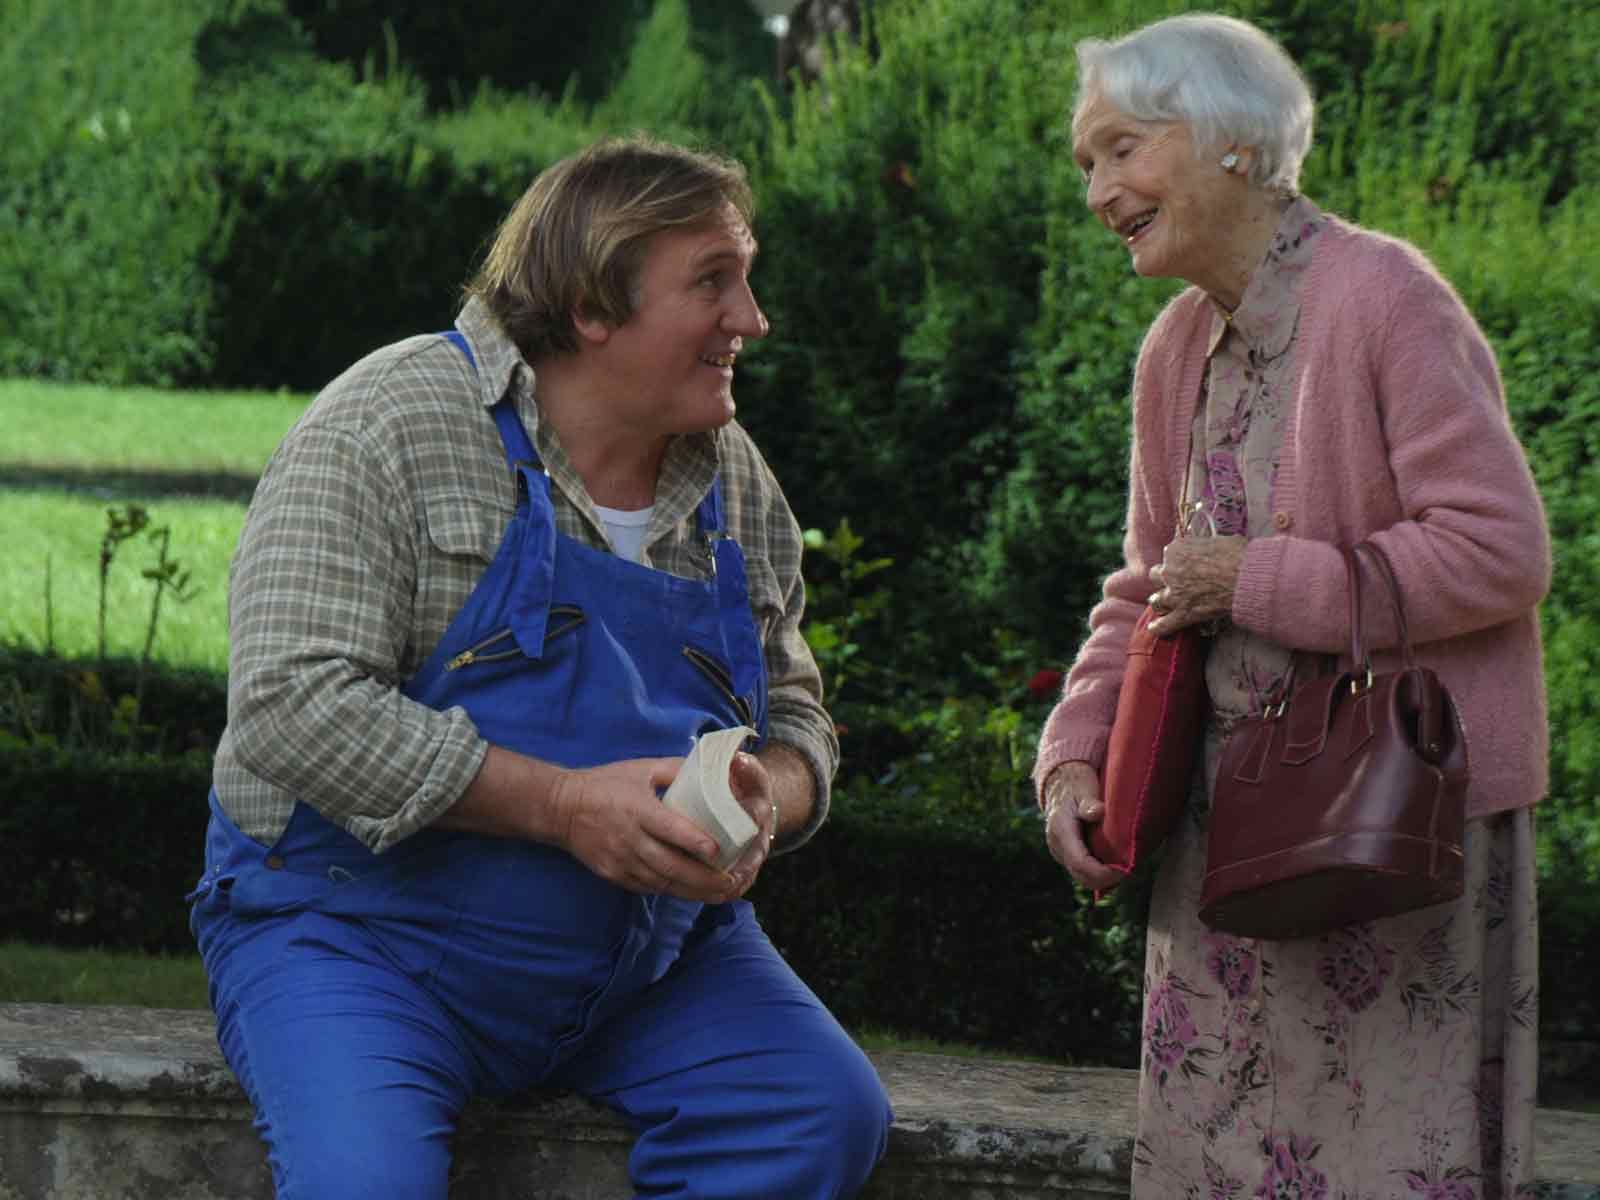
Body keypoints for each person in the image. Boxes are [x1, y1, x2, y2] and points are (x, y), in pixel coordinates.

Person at [188, 135, 892, 1199]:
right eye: (713, 282)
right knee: (364, 1184)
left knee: (817, 1114)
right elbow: (293, 706)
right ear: (592, 305)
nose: (752, 319)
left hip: (646, 966)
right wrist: (565, 808)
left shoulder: (736, 483)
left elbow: (794, 714)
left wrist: (768, 797)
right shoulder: (389, 425)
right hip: (357, 939)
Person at [1036, 14, 1548, 1198]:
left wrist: (1259, 580)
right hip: (1227, 847)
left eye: (1121, 149)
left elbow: (1500, 550)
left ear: (1230, 139)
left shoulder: (1384, 298)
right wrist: (1075, 759)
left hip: (1386, 834)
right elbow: (1145, 590)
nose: (1099, 190)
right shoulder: (1173, 349)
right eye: (1086, 164)